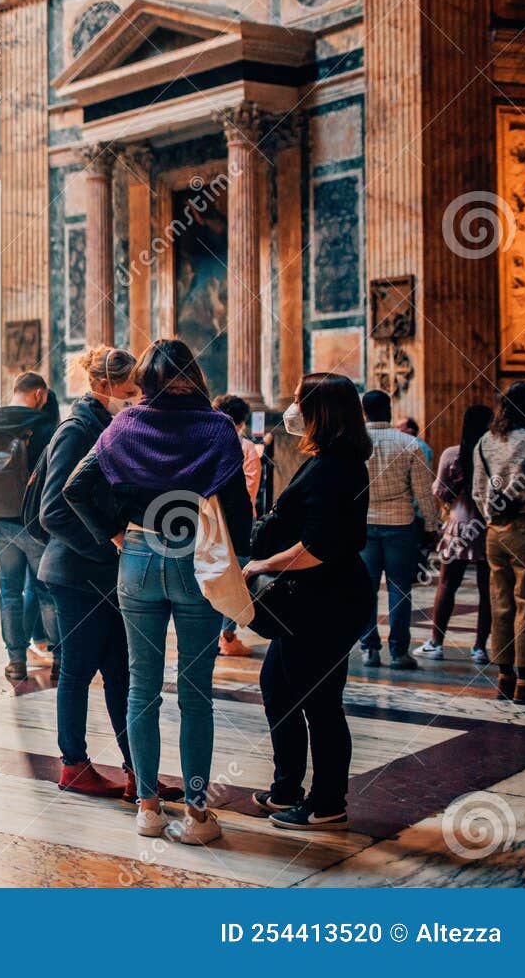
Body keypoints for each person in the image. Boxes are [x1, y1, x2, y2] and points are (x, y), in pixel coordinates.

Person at [64, 338, 252, 845]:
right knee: (196, 694)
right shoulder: (215, 427)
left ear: (144, 378)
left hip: (141, 557)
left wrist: (118, 532)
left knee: (141, 689)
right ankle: (196, 816)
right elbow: (239, 511)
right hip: (197, 559)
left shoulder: (125, 424)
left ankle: (147, 808)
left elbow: (74, 489)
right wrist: (241, 558)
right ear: (194, 374)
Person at [39, 347, 178, 803]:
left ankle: (139, 770)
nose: (137, 401)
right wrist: (111, 541)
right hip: (78, 573)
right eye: (130, 392)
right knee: (78, 671)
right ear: (103, 387)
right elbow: (53, 510)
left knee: (122, 672)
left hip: (107, 573)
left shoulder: (110, 424)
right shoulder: (77, 430)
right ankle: (74, 765)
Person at [244, 373, 374, 832]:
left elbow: (316, 547)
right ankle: (286, 788)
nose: (293, 408)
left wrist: (261, 566)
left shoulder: (336, 467)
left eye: (300, 400)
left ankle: (327, 803)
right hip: (315, 600)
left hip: (325, 601)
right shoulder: (331, 460)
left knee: (320, 702)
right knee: (278, 687)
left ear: (321, 411)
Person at [0, 372, 59, 681]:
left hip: (0, 522)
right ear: (39, 394)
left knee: (9, 591)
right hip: (35, 524)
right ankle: (59, 657)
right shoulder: (45, 427)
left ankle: (16, 660)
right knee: (46, 591)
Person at [358, 389, 439, 669]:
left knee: (365, 589)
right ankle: (398, 652)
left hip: (364, 524)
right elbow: (423, 493)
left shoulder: (353, 443)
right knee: (400, 589)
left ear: (364, 412)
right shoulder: (410, 443)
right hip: (400, 523)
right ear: (389, 410)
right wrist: (432, 525)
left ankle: (369, 648)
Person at [420, 404, 493, 664]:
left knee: (447, 584)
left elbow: (440, 491)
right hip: (487, 525)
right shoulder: (492, 454)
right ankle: (480, 648)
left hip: (459, 523)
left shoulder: (453, 454)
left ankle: (436, 643)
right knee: (487, 591)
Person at [473, 381, 525, 703]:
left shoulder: (486, 440)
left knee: (501, 600)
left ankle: (504, 677)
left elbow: (478, 488)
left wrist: (491, 517)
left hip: (494, 530)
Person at [213, 394, 263, 658]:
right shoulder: (246, 447)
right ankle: (227, 636)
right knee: (234, 580)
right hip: (238, 522)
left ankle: (215, 635)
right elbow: (249, 491)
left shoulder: (207, 442)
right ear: (242, 422)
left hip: (210, 521)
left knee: (212, 573)